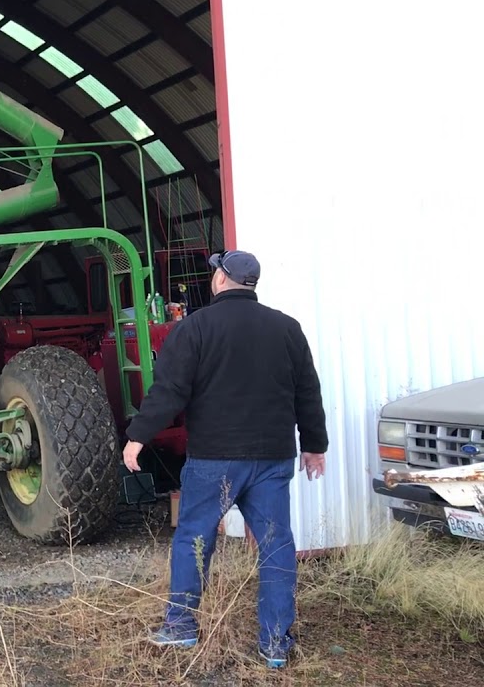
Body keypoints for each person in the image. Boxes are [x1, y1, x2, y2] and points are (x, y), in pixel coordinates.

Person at [120, 249, 328, 669]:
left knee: (194, 537)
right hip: (271, 458)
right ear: (252, 283)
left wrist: (137, 436)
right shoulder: (286, 328)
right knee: (275, 544)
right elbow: (307, 390)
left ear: (219, 279)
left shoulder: (195, 328)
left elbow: (169, 391)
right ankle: (275, 643)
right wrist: (314, 445)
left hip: (214, 459)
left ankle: (181, 626)